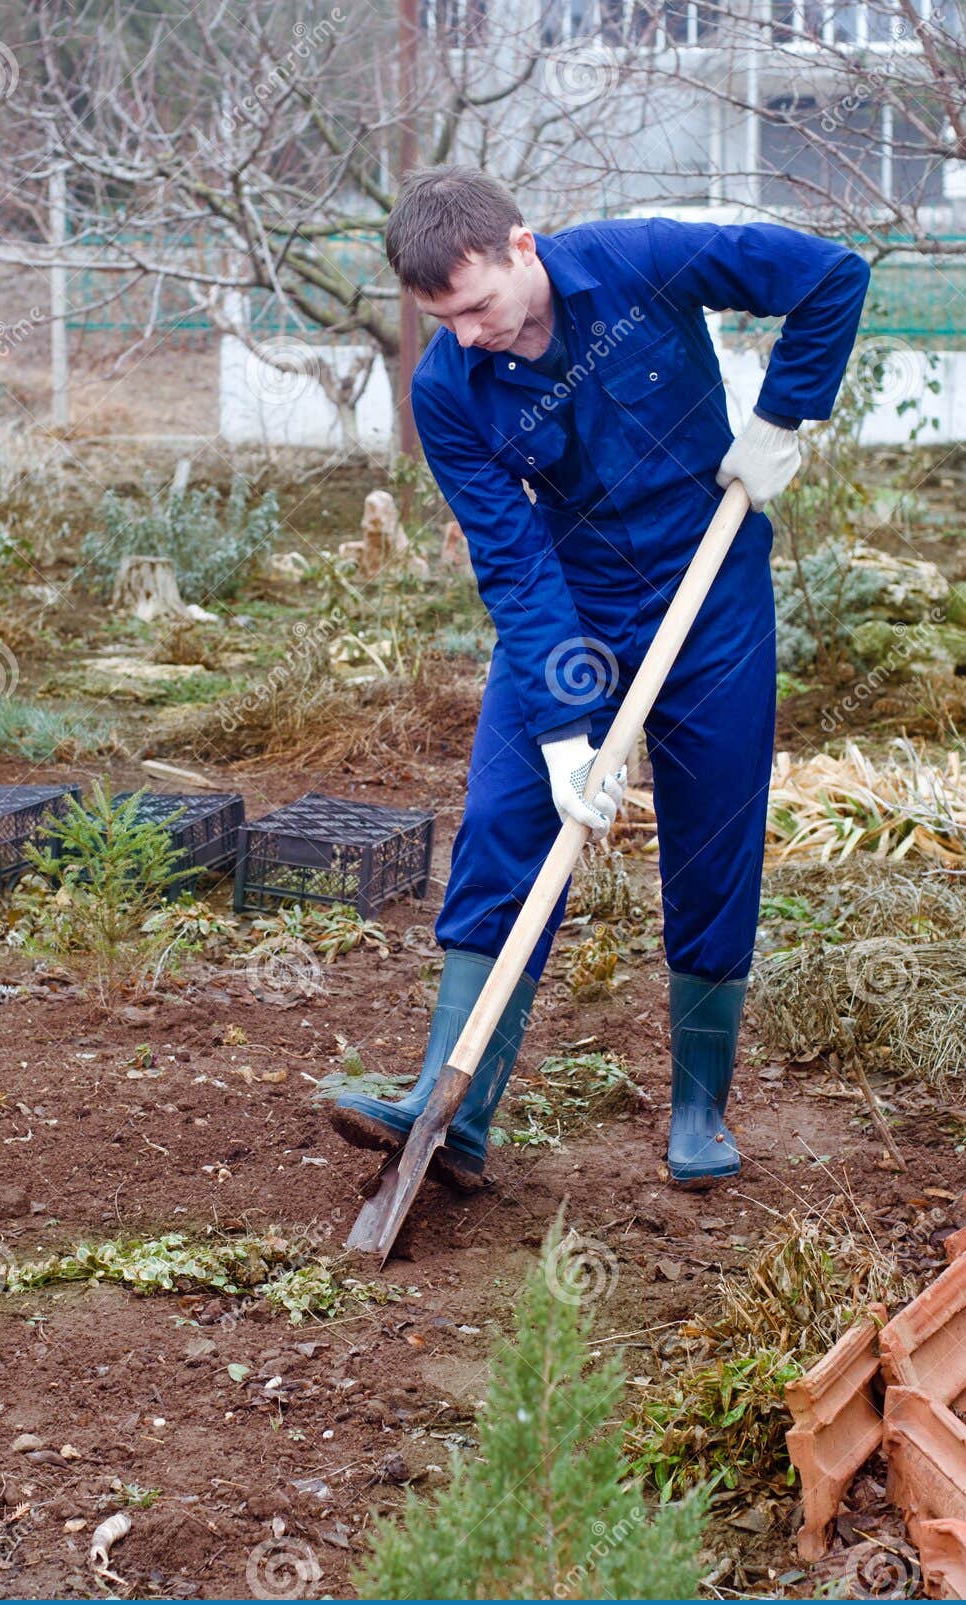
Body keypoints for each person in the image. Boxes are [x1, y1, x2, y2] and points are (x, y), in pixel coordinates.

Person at [332, 166, 870, 1193]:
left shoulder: (639, 260)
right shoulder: (448, 387)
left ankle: (697, 1110)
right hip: (573, 604)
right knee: (503, 820)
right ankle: (454, 1107)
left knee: (712, 834)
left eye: (479, 305)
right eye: (445, 320)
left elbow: (828, 276)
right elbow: (512, 558)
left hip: (708, 589)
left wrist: (778, 421)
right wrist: (564, 727)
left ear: (521, 248)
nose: (471, 334)